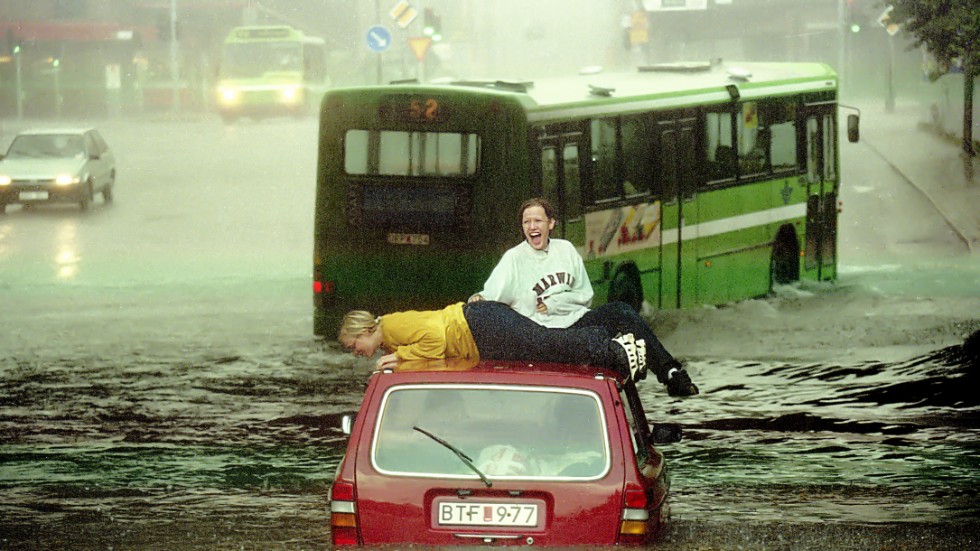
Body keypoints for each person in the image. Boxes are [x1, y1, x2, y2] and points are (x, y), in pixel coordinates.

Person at [470, 197, 699, 397]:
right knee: (604, 345)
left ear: (551, 223)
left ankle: (671, 373)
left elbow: (585, 295)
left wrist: (554, 303)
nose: (532, 226)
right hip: (543, 334)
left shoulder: (566, 249)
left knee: (621, 311)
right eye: (526, 222)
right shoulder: (514, 258)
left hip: (576, 323)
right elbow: (491, 296)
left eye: (537, 221)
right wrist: (479, 298)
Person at [338, 300, 645, 381]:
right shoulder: (389, 340)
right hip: (479, 333)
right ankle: (609, 343)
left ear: (364, 332)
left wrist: (402, 357)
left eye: (355, 346)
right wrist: (401, 355)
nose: (358, 352)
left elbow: (435, 337)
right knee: (544, 349)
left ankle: (616, 348)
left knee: (544, 344)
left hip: (479, 324)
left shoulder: (392, 325)